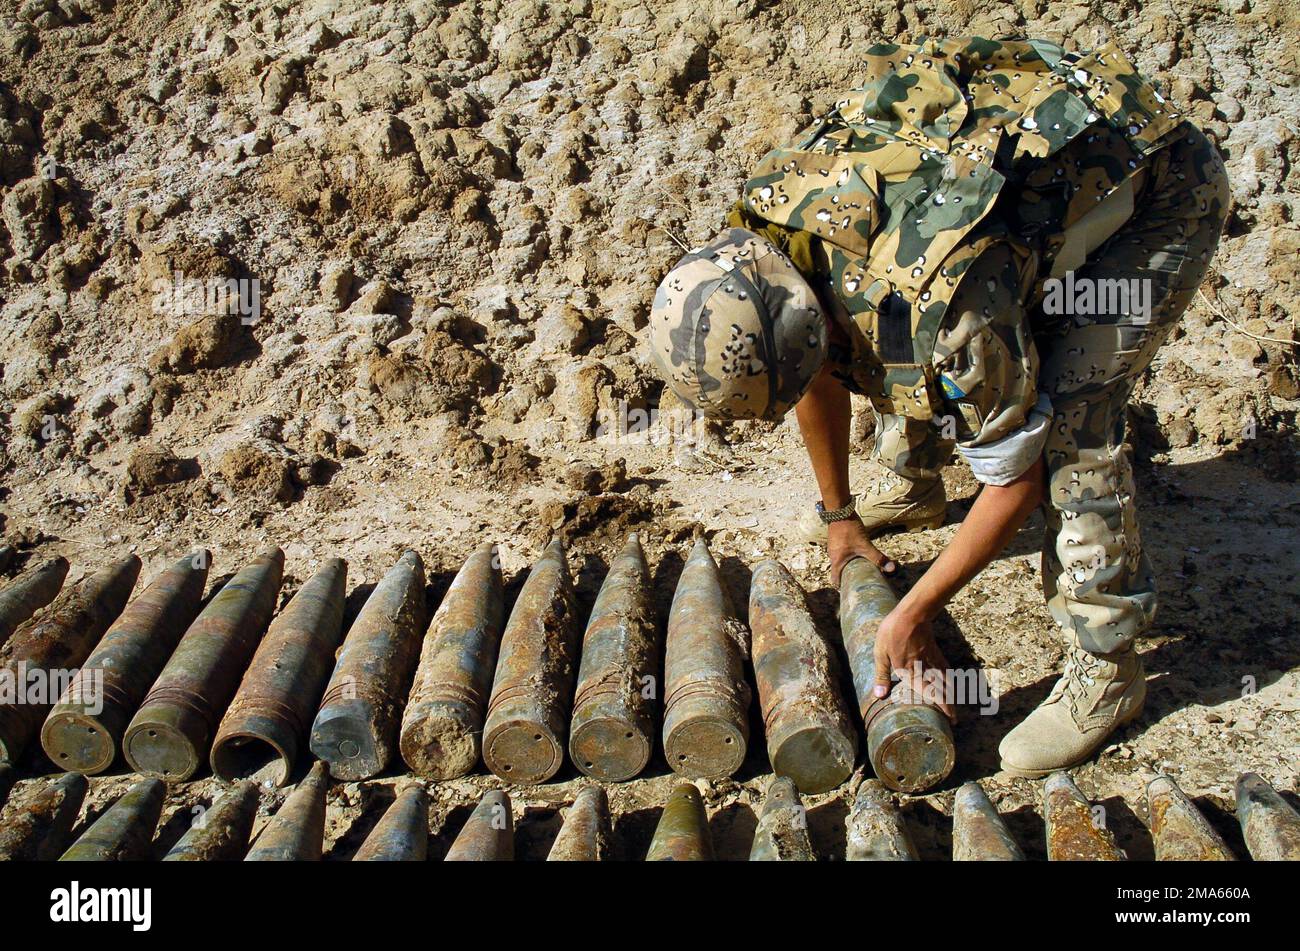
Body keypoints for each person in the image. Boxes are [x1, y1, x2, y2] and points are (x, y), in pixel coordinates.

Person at [647, 35, 1228, 777]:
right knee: (886, 340)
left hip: (1161, 185)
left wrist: (912, 612)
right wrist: (840, 516)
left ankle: (1108, 666)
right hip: (1031, 168)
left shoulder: (947, 315)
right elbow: (820, 365)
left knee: (1070, 414)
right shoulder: (773, 243)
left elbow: (1012, 475)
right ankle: (915, 483)